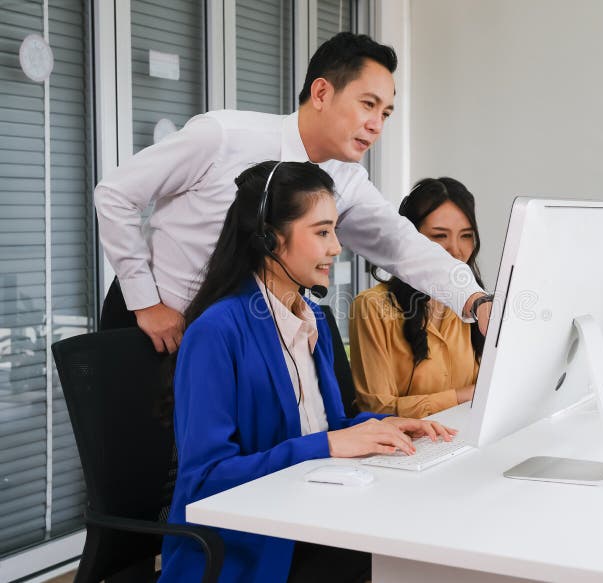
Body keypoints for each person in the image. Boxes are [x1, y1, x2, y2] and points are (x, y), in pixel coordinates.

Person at [94, 32, 492, 353]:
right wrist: (145, 302)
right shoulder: (224, 136)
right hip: (152, 324)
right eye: (367, 104)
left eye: (385, 113)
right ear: (321, 93)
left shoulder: (346, 181)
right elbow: (115, 194)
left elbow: (403, 245)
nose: (376, 125)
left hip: (233, 338)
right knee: (142, 453)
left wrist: (475, 300)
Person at [159, 161, 455, 583]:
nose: (336, 247)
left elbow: (324, 427)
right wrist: (331, 444)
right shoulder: (216, 332)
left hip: (312, 519)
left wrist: (384, 425)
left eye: (334, 230)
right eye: (321, 232)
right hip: (252, 549)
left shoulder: (310, 317)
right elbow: (207, 478)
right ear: (269, 238)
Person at [349, 178, 485, 418]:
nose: (455, 250)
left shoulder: (480, 309)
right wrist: (461, 396)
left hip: (465, 441)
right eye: (439, 236)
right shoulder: (372, 307)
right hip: (406, 448)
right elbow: (376, 408)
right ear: (410, 242)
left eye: (466, 236)